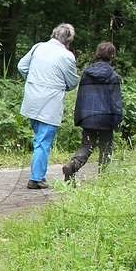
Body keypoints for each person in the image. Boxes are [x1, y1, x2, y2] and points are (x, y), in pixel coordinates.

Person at [16, 23, 79, 190]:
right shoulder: (67, 56)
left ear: (53, 34)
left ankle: (37, 175)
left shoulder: (38, 47)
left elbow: (21, 66)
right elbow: (73, 82)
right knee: (43, 141)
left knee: (39, 138)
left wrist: (33, 81)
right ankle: (36, 178)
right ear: (68, 40)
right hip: (50, 103)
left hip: (31, 99)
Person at [62, 41, 124, 182]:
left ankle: (72, 166)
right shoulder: (113, 76)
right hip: (106, 119)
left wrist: (79, 117)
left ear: (97, 54)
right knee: (106, 148)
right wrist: (117, 121)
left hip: (88, 117)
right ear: (112, 56)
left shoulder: (86, 74)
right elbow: (116, 102)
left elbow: (81, 97)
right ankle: (103, 179)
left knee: (87, 146)